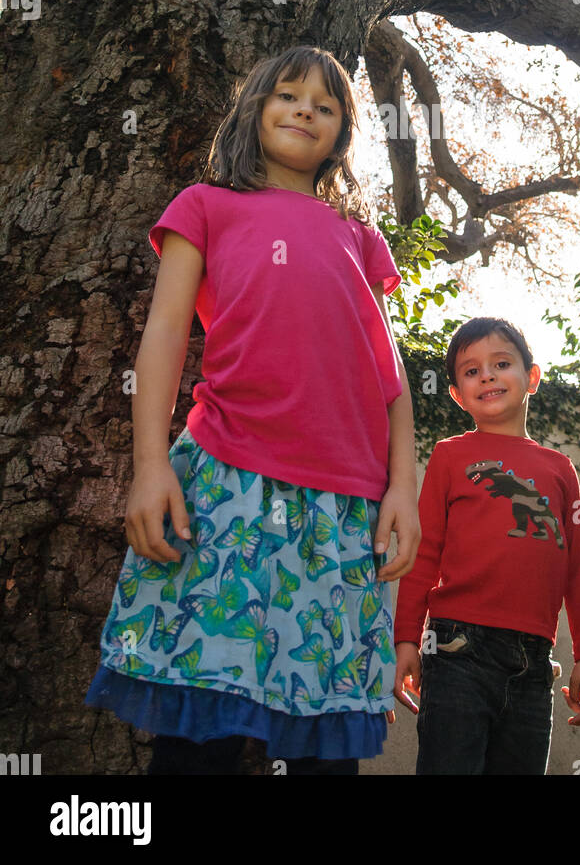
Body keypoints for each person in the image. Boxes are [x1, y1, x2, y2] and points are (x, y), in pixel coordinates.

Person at [85, 45, 420, 775]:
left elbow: (389, 376)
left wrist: (402, 489)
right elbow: (165, 337)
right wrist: (149, 468)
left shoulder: (360, 239)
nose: (305, 109)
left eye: (325, 105)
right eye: (289, 95)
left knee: (321, 740)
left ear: (340, 134)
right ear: (254, 109)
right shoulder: (206, 206)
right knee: (197, 727)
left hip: (345, 510)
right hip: (226, 483)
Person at [393, 317, 580, 775]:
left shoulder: (560, 470)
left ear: (532, 377)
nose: (486, 375)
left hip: (534, 664)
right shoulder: (449, 456)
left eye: (501, 363)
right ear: (456, 394)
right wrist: (406, 637)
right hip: (455, 650)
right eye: (471, 371)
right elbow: (424, 552)